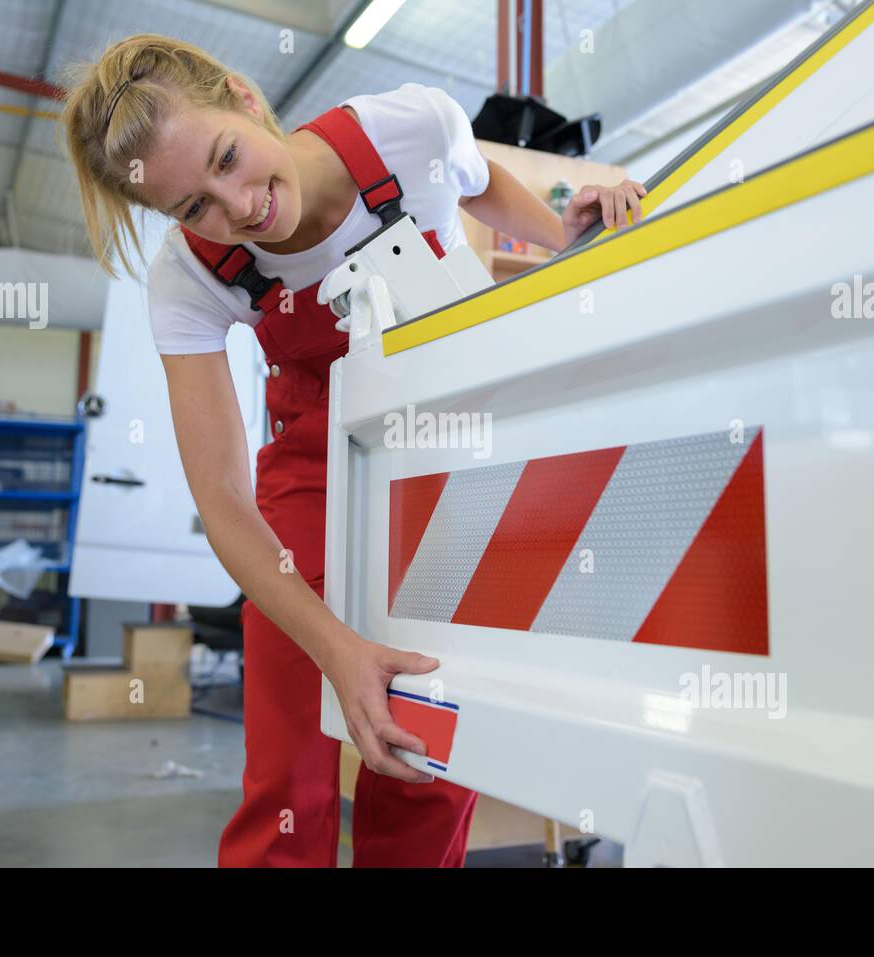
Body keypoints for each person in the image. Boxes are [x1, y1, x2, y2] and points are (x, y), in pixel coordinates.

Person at [61, 34, 645, 867]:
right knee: (287, 775)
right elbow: (224, 498)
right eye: (194, 205)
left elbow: (478, 182)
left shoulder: (410, 131)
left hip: (449, 473)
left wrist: (561, 235)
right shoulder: (189, 277)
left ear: (244, 96)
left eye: (229, 157)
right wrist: (332, 644)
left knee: (427, 762)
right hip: (311, 484)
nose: (237, 207)